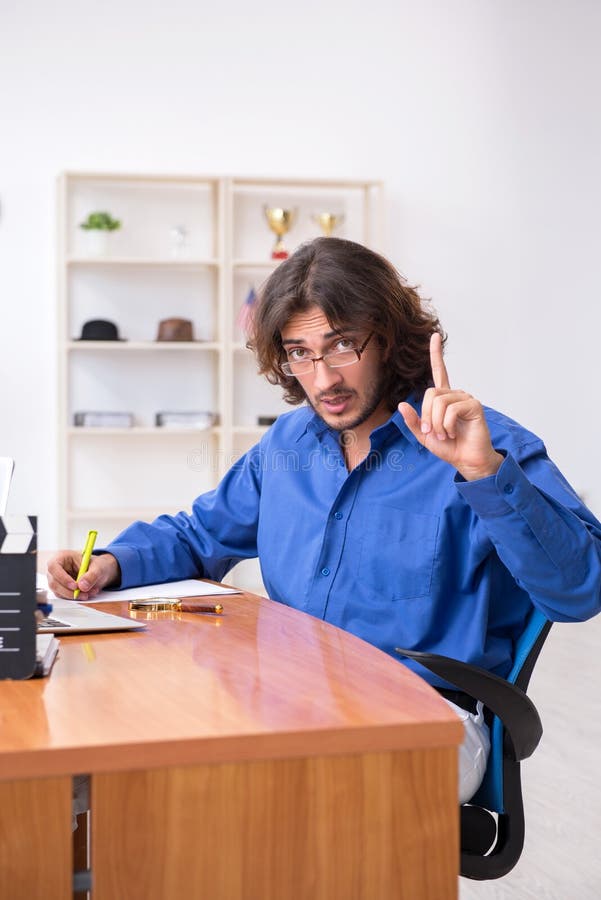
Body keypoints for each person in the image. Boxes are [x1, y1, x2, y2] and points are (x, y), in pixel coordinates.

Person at [48, 237, 601, 803]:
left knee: (242, 793)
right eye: (300, 352)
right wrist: (112, 563)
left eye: (341, 347)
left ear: (387, 340)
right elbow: (200, 533)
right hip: (294, 699)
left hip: (426, 719)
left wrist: (485, 473)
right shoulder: (289, 444)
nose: (322, 379)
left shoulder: (485, 444)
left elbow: (580, 591)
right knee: (119, 756)